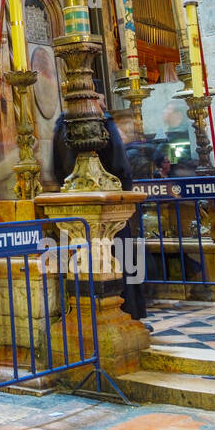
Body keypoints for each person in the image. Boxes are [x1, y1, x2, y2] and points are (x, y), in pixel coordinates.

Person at [52, 109, 148, 323]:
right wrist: (126, 193)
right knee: (119, 259)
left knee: (82, 261)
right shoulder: (102, 119)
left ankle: (84, 316)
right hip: (108, 204)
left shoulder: (61, 123)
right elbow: (121, 165)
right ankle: (127, 314)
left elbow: (57, 168)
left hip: (73, 202)